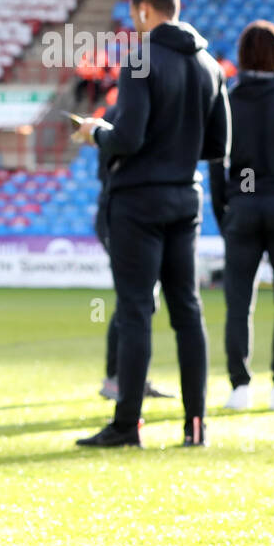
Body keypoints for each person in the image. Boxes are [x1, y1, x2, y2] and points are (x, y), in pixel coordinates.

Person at [73, 0, 230, 448]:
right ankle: (195, 426)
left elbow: (129, 138)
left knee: (137, 309)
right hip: (187, 198)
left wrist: (96, 131)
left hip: (139, 201)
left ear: (144, 10)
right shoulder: (209, 64)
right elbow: (219, 145)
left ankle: (127, 425)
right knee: (188, 310)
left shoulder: (140, 59)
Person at [209, 20, 274, 412]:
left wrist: (224, 211)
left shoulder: (225, 101)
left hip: (242, 205)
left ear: (243, 56)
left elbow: (216, 163)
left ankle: (239, 387)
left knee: (238, 302)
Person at [93, 101, 173, 403]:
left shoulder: (127, 111)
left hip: (130, 211)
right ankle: (118, 379)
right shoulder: (123, 115)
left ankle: (131, 379)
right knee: (134, 301)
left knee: (141, 301)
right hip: (122, 213)